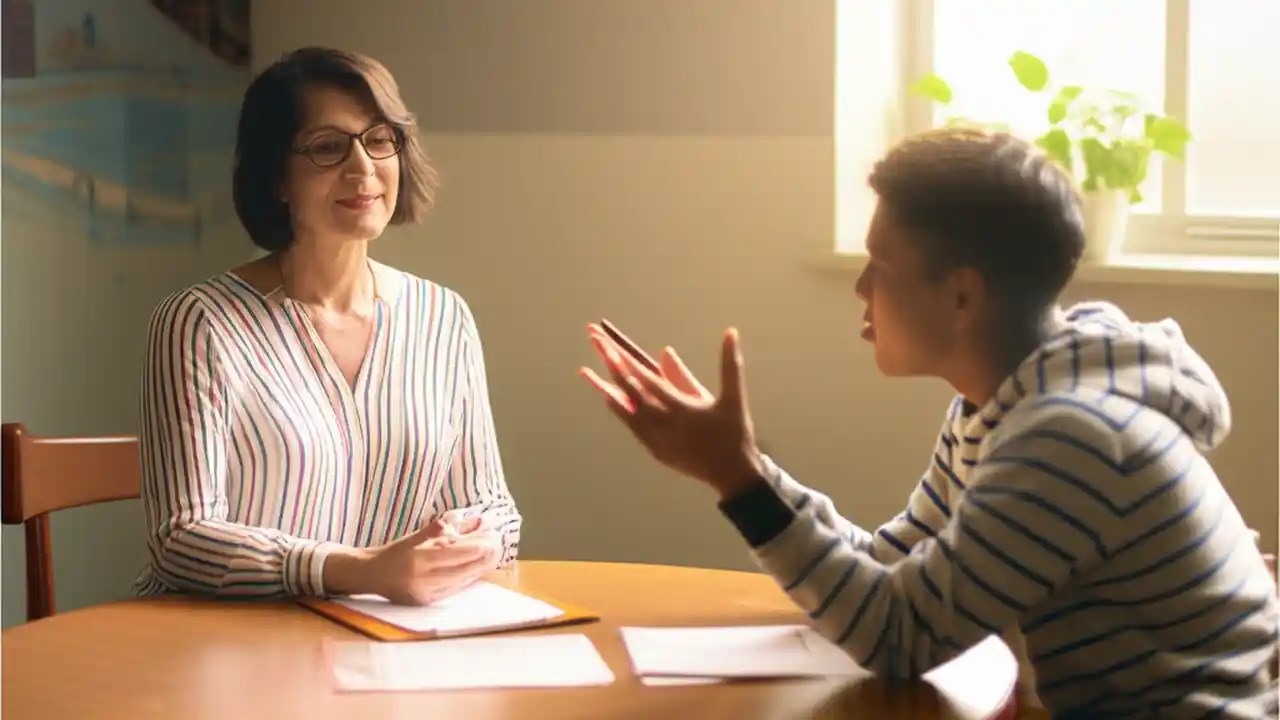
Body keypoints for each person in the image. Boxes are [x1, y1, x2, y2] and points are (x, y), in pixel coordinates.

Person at [581, 127, 1278, 717]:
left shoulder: (1073, 437)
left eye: (879, 266)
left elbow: (899, 636)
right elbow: (891, 566)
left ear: (962, 294)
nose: (859, 289)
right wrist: (744, 467)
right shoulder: (998, 409)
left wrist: (736, 479)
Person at [134, 47, 520, 606]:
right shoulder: (200, 322)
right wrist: (360, 570)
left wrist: (462, 541)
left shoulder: (444, 318)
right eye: (328, 147)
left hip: (382, 644)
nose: (363, 168)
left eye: (380, 139)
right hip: (220, 646)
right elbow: (182, 538)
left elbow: (496, 511)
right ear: (276, 178)